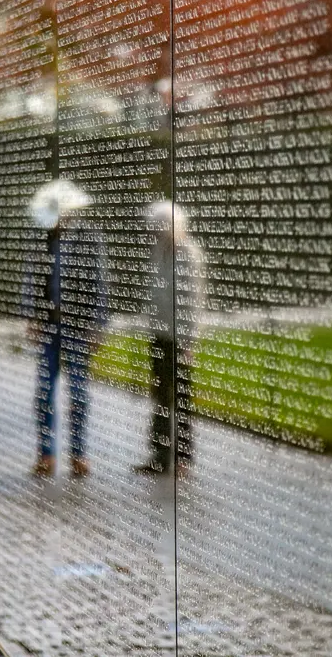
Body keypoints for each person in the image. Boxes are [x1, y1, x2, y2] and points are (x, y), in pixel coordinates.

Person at [23, 180, 107, 478]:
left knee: (79, 394)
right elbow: (31, 278)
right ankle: (46, 454)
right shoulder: (42, 239)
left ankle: (79, 454)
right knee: (44, 392)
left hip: (78, 328)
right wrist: (31, 315)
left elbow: (100, 285)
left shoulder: (90, 238)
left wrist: (99, 325)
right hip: (49, 327)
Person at [135, 201, 204, 476]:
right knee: (161, 398)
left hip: (179, 338)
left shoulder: (189, 255)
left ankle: (183, 457)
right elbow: (154, 289)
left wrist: (189, 340)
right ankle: (160, 455)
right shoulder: (159, 252)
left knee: (181, 397)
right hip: (159, 335)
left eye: (158, 229)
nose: (154, 234)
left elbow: (194, 301)